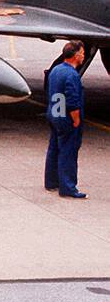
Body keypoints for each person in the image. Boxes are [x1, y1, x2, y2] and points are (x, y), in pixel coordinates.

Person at [45, 41, 88, 199]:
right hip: (66, 118)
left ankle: (51, 182)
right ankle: (68, 187)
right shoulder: (72, 74)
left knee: (54, 149)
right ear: (76, 56)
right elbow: (72, 100)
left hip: (54, 114)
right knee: (68, 152)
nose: (84, 56)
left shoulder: (56, 70)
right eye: (82, 53)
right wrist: (76, 119)